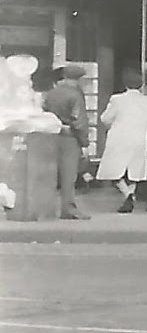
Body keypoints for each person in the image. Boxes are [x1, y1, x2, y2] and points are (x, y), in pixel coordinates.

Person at [97, 66, 147, 214]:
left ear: (125, 85)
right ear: (141, 85)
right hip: (139, 139)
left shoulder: (117, 100)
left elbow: (105, 119)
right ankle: (130, 193)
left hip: (119, 138)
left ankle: (128, 194)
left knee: (114, 170)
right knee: (135, 171)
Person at [41, 65, 91, 221]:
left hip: (50, 136)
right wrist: (84, 142)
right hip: (70, 138)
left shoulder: (51, 93)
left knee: (50, 174)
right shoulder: (75, 95)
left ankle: (44, 208)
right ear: (79, 79)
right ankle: (68, 208)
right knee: (68, 176)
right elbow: (79, 121)